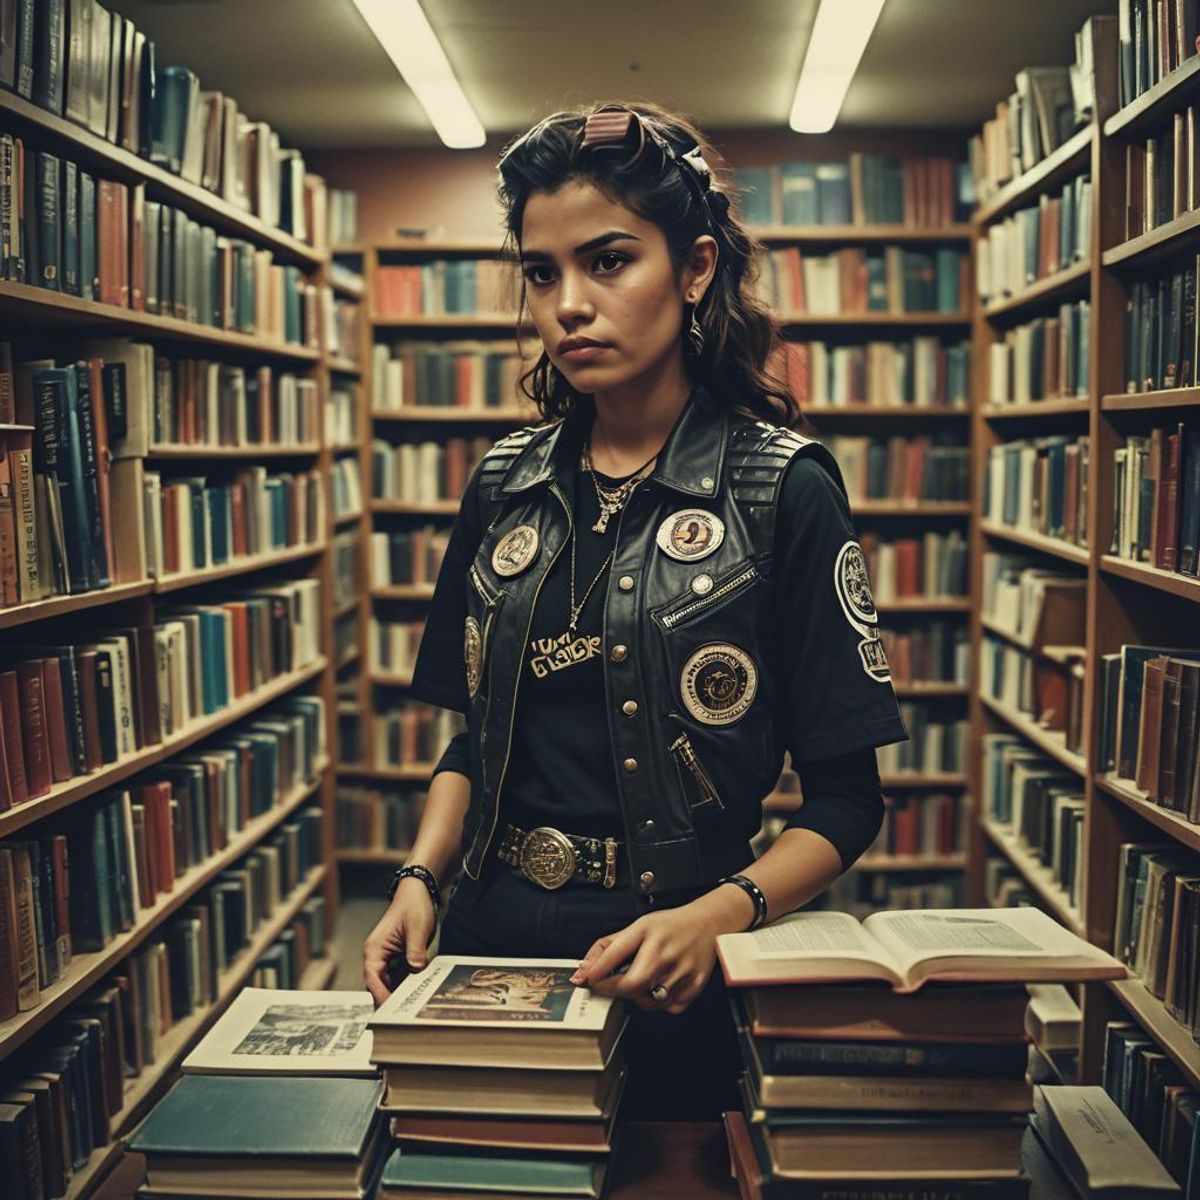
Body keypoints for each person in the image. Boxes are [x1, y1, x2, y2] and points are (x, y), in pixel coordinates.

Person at [362, 100, 909, 1120]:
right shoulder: (502, 484)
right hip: (484, 945)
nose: (568, 304)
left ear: (695, 269)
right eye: (541, 271)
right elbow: (468, 745)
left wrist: (719, 915)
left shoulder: (781, 489)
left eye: (608, 261)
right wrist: (418, 875)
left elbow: (847, 799)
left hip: (674, 954)